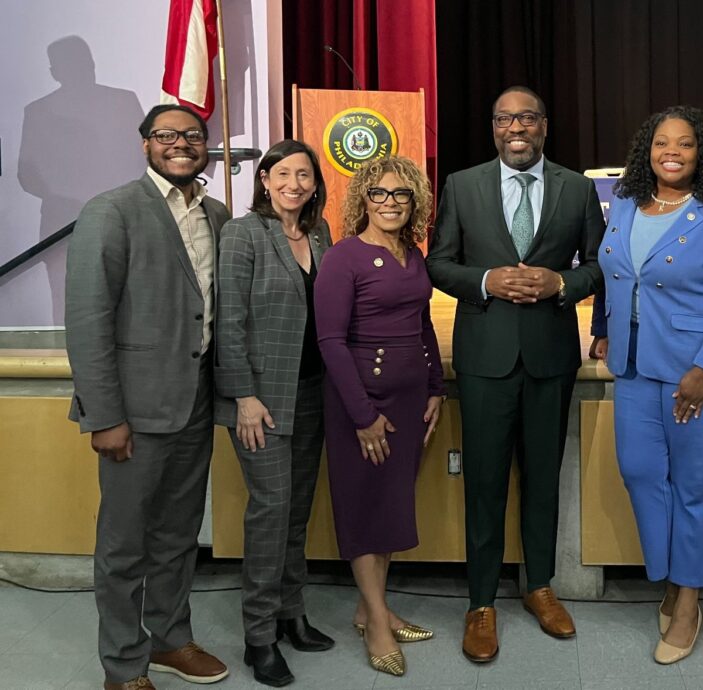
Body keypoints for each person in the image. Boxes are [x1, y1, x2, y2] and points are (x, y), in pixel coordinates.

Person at [426, 85, 605, 663]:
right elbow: (438, 262)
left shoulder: (577, 188)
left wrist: (561, 284)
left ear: (544, 126)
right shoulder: (463, 185)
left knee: (543, 477)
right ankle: (481, 602)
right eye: (505, 119)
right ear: (494, 127)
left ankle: (539, 586)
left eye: (526, 118)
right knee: (483, 481)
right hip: (485, 359)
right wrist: (485, 282)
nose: (516, 128)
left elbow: (600, 264)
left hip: (551, 355)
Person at [65, 104, 230, 690]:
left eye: (192, 135)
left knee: (178, 538)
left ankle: (170, 640)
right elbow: (87, 322)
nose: (181, 143)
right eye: (166, 135)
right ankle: (123, 664)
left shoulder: (216, 213)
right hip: (132, 415)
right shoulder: (111, 211)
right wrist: (105, 417)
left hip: (196, 405)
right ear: (145, 146)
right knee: (124, 545)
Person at [590, 105, 703, 665]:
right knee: (638, 471)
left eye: (685, 144)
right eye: (662, 142)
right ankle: (670, 574)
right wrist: (604, 330)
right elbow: (612, 270)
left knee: (692, 485)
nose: (672, 152)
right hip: (636, 365)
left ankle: (687, 600)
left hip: (696, 375)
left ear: (701, 152)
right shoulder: (626, 204)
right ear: (647, 150)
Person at [314, 156, 445, 677]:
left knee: (390, 506)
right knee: (365, 510)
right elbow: (330, 341)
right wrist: (363, 415)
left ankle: (374, 609)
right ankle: (378, 626)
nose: (390, 203)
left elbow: (422, 325)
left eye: (400, 194)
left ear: (415, 201)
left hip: (412, 402)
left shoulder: (413, 255)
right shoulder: (343, 258)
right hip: (362, 406)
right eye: (379, 194)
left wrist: (435, 387)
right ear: (362, 200)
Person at [214, 140, 334, 687]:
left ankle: (292, 613)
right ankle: (258, 635)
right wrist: (242, 395)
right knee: (269, 513)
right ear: (264, 180)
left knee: (297, 512)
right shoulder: (243, 234)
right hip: (261, 402)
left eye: (304, 174)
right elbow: (229, 320)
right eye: (283, 173)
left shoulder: (321, 233)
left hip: (313, 393)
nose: (294, 183)